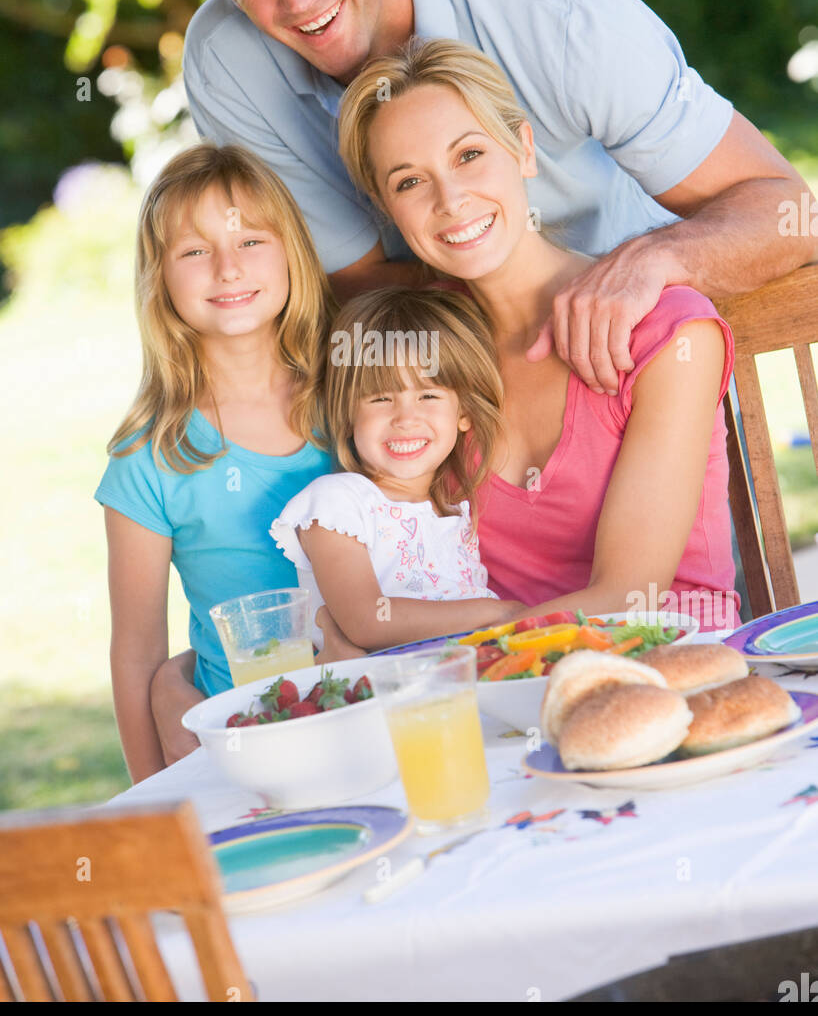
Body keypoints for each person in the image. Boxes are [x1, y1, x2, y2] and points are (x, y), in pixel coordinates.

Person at [159, 0, 817, 394]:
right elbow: (352, 285)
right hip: (445, 387)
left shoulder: (554, 7)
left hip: (637, 354)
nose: (298, 0)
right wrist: (538, 309)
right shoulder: (229, 62)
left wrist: (656, 262)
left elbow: (787, 211)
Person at [318, 36, 742, 660]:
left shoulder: (666, 331)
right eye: (410, 181)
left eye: (469, 154)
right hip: (500, 692)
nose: (450, 200)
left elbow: (628, 597)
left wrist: (451, 658)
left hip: (665, 668)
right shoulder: (418, 358)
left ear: (523, 149)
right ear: (386, 207)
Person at [95, 143, 334, 782]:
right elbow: (138, 653)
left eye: (250, 241)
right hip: (235, 751)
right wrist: (153, 807)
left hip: (370, 715)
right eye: (195, 252)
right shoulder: (148, 457)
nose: (227, 269)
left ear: (292, 253)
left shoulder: (358, 399)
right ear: (160, 278)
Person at [270, 288, 530, 648]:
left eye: (428, 395)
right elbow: (367, 620)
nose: (406, 419)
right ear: (348, 416)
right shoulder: (337, 502)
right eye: (381, 398)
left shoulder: (454, 511)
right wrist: (497, 613)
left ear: (465, 413)